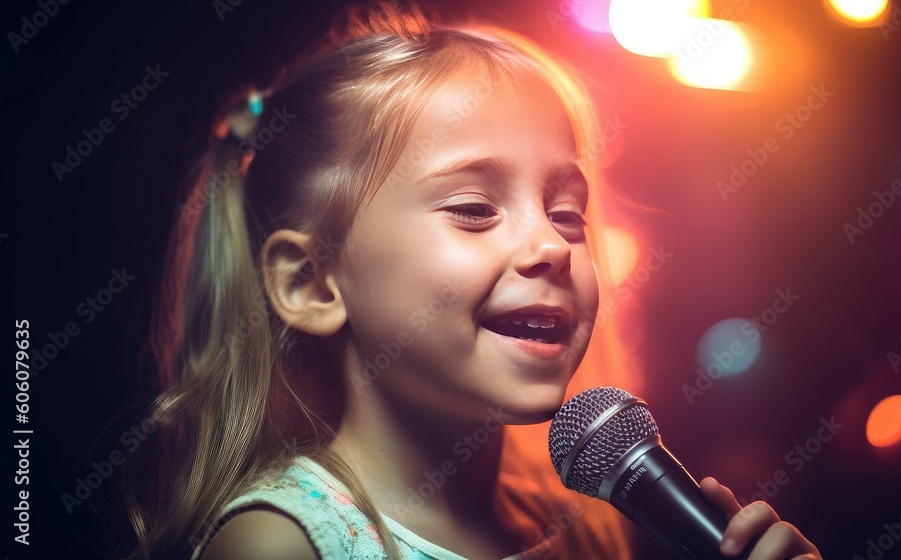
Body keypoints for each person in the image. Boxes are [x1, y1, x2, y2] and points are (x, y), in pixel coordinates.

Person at [122, 3, 823, 559]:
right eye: (474, 209)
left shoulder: (574, 526)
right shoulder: (279, 545)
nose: (551, 243)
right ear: (312, 283)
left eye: (566, 213)